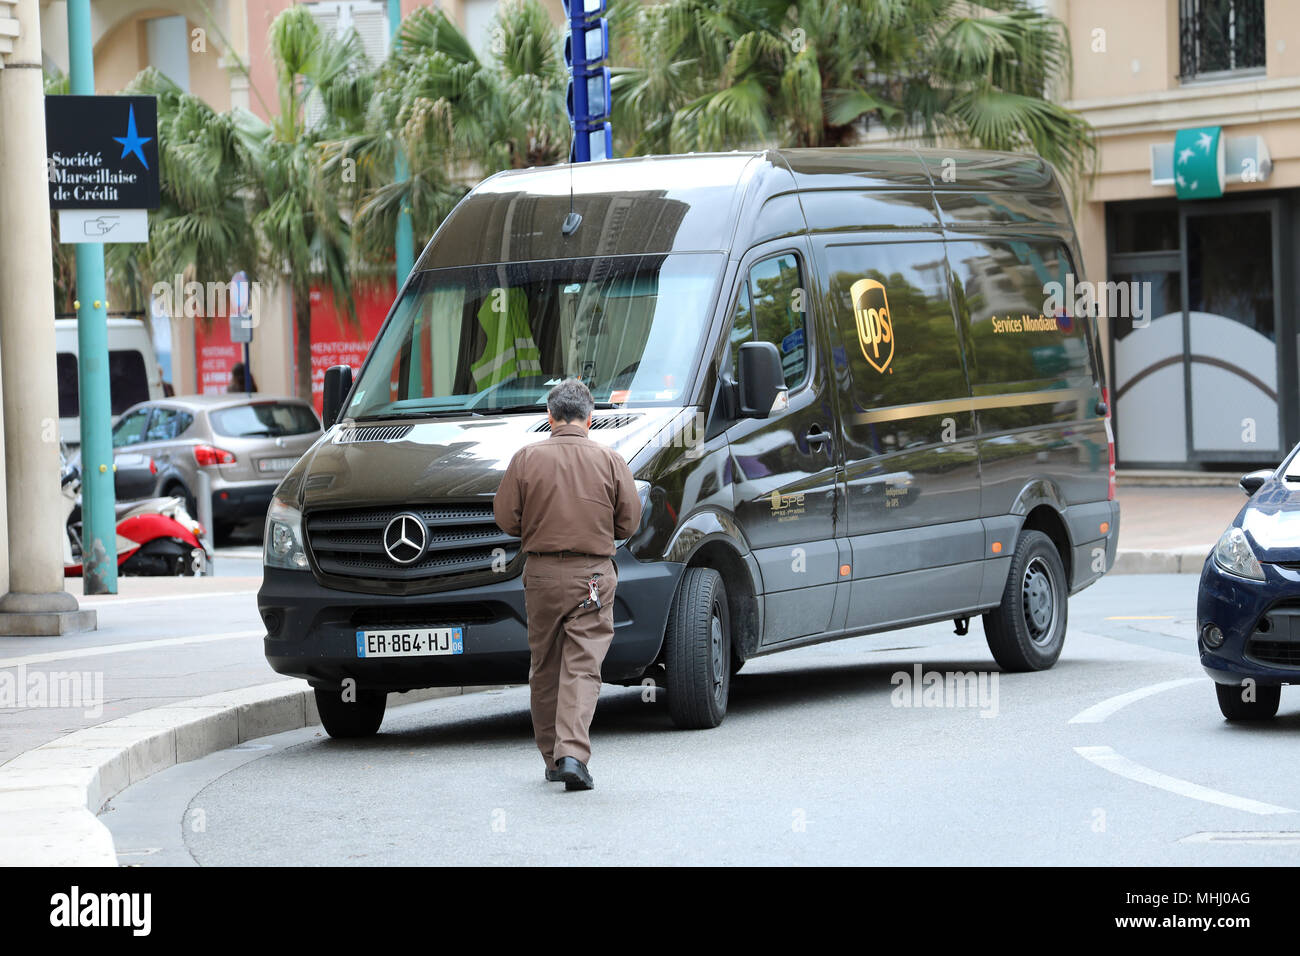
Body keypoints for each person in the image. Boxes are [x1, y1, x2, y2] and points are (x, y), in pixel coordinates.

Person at [493, 379, 640, 790]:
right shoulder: (610, 460)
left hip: (539, 575)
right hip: (591, 576)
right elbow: (629, 521)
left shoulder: (525, 458)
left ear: (550, 417)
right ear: (590, 418)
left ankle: (552, 759)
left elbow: (505, 517)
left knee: (544, 666)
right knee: (582, 665)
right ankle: (573, 754)